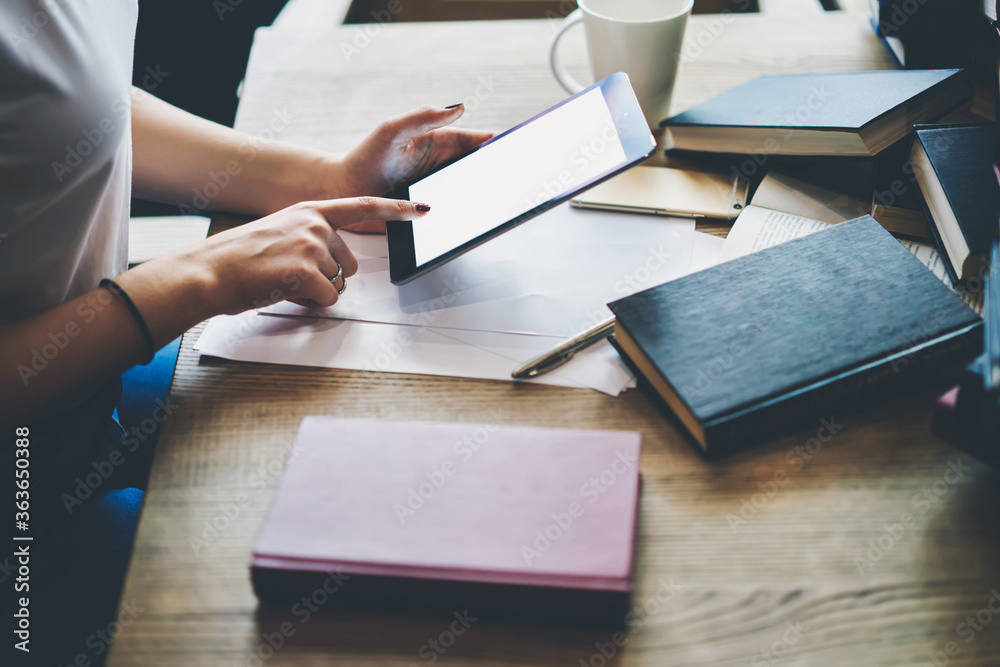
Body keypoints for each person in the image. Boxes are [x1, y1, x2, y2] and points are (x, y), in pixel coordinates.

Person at [0, 1, 491, 663]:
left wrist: (322, 179)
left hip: (83, 387)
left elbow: (65, 106)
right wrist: (200, 276)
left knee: (336, 419)